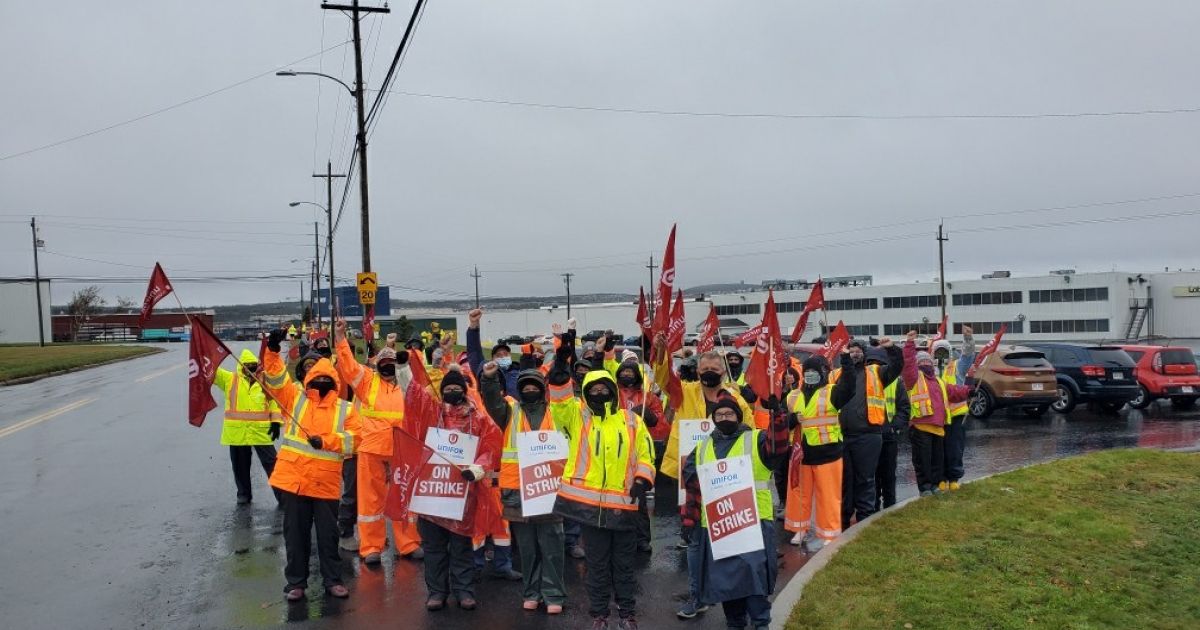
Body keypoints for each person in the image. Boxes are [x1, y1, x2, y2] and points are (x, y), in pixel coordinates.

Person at [548, 337, 656, 630]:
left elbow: (646, 453)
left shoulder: (631, 420)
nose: (598, 393)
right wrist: (560, 363)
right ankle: (599, 615)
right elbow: (558, 396)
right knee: (596, 568)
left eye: (603, 389)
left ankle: (626, 613)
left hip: (625, 506)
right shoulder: (576, 417)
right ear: (585, 393)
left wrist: (642, 479)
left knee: (624, 567)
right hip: (588, 509)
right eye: (592, 389)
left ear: (612, 392)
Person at [651, 335, 754, 620]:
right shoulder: (684, 393)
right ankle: (697, 597)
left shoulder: (735, 400)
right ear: (697, 372)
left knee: (726, 544)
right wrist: (661, 351)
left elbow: (750, 435)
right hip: (692, 481)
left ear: (723, 372)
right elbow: (663, 377)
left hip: (725, 482)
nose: (709, 374)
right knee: (695, 543)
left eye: (714, 370)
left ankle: (732, 601)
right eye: (704, 370)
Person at [261, 329, 361, 601]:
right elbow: (275, 379)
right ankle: (296, 583)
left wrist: (327, 441)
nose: (323, 382)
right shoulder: (295, 398)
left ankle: (333, 581)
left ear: (336, 382)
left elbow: (355, 440)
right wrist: (272, 349)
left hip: (326, 485)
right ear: (309, 379)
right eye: (318, 378)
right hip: (294, 481)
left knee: (328, 538)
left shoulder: (345, 408)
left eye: (329, 379)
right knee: (295, 537)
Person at [682, 395, 790, 630]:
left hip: (754, 522)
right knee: (727, 582)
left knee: (754, 579)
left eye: (729, 414)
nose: (724, 418)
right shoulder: (702, 448)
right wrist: (689, 520)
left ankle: (761, 623)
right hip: (719, 526)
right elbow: (692, 486)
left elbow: (779, 445)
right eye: (719, 415)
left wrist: (777, 414)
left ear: (739, 417)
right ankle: (735, 623)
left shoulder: (757, 439)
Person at [408, 366, 504, 611]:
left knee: (462, 547)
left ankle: (464, 591)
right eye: (447, 388)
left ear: (464, 390)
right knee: (433, 548)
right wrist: (401, 367)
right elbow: (412, 395)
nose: (452, 392)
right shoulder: (432, 413)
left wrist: (478, 469)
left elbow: (491, 445)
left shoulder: (479, 418)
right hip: (431, 494)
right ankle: (437, 592)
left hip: (463, 495)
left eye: (456, 388)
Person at [331, 318, 423, 564]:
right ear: (377, 364)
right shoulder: (368, 381)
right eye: (383, 363)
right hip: (372, 450)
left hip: (402, 451)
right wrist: (340, 338)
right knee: (370, 502)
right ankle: (371, 546)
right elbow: (349, 366)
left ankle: (409, 543)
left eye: (391, 363)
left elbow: (423, 396)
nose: (387, 367)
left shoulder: (406, 384)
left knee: (404, 499)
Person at [480, 365, 568, 614]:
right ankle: (531, 593)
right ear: (518, 390)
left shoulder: (557, 412)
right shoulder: (509, 412)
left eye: (534, 386)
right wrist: (488, 379)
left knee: (552, 546)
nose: (530, 390)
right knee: (528, 549)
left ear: (542, 389)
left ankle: (554, 595)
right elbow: (491, 401)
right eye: (525, 387)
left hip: (549, 489)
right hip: (517, 492)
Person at [784, 353, 855, 551]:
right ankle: (800, 528)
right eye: (807, 372)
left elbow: (849, 388)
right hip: (800, 455)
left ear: (824, 373)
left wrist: (847, 362)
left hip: (828, 454)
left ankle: (829, 533)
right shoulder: (793, 395)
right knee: (798, 494)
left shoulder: (832, 392)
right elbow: (783, 423)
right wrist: (792, 420)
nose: (810, 375)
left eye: (815, 372)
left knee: (828, 496)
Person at [831, 338, 903, 530]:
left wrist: (893, 350)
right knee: (844, 482)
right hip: (841, 436)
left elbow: (897, 367)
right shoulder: (836, 375)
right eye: (851, 350)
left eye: (858, 350)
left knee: (865, 480)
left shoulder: (876, 372)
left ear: (865, 353)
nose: (855, 353)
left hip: (868, 436)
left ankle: (863, 523)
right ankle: (843, 522)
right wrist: (844, 360)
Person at [607, 351, 665, 553]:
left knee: (639, 497)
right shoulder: (612, 393)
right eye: (624, 372)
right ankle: (618, 537)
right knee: (616, 496)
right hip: (616, 449)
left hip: (640, 450)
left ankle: (642, 539)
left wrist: (653, 417)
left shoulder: (648, 396)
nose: (628, 376)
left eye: (632, 372)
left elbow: (662, 424)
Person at [901, 331, 972, 497]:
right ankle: (926, 487)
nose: (925, 363)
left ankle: (936, 484)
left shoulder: (940, 379)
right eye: (922, 361)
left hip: (941, 425)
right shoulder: (914, 378)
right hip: (921, 425)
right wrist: (910, 344)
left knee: (939, 459)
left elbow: (954, 390)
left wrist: (969, 391)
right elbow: (908, 364)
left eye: (927, 361)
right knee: (923, 461)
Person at [213, 349, 281, 505]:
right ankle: (243, 494)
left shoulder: (265, 381)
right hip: (238, 433)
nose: (251, 367)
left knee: (273, 464)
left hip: (260, 432)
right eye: (247, 365)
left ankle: (282, 496)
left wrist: (276, 422)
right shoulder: (230, 379)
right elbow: (211, 371)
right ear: (241, 366)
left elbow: (274, 402)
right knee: (240, 466)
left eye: (253, 365)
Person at [868, 348, 910, 511]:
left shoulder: (895, 382)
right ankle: (874, 510)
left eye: (878, 364)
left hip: (887, 437)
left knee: (888, 477)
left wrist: (893, 428)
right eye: (871, 364)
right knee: (872, 477)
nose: (874, 368)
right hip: (870, 437)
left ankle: (890, 509)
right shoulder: (864, 381)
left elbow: (904, 408)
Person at [937, 328, 975, 491]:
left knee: (954, 449)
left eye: (944, 352)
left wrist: (968, 338)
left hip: (956, 416)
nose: (941, 356)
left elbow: (968, 356)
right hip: (938, 417)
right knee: (938, 450)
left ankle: (953, 478)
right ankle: (940, 478)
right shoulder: (929, 370)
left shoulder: (957, 366)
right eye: (938, 352)